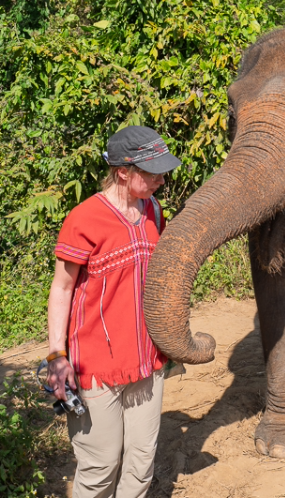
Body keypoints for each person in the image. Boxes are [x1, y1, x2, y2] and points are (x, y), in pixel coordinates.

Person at [45, 127, 180, 498]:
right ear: (123, 171)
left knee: (141, 462)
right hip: (96, 364)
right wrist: (57, 357)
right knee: (101, 465)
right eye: (152, 173)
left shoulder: (153, 211)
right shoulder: (84, 219)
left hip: (146, 358)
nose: (161, 180)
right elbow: (62, 288)